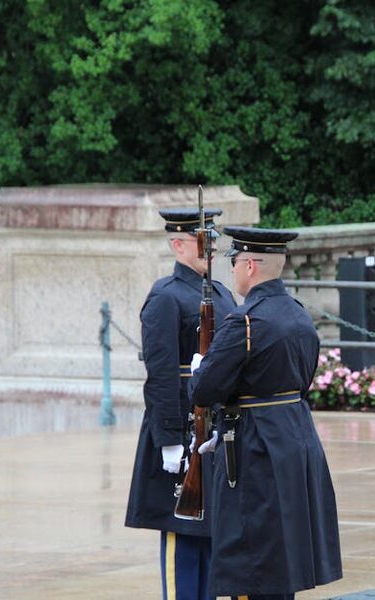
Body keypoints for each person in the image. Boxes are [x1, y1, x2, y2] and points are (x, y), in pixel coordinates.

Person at [189, 226, 342, 600]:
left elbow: (203, 390)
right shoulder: (298, 315)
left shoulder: (243, 322)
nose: (234, 271)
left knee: (250, 557)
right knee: (280, 554)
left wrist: (200, 367)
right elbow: (302, 379)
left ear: (251, 267)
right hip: (293, 434)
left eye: (236, 262)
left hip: (253, 446)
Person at [125, 208, 237, 600]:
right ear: (177, 244)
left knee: (211, 534)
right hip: (182, 430)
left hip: (214, 428)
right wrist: (169, 439)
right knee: (183, 540)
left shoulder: (221, 294)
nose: (211, 248)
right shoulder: (165, 297)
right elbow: (160, 375)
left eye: (212, 240)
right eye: (202, 240)